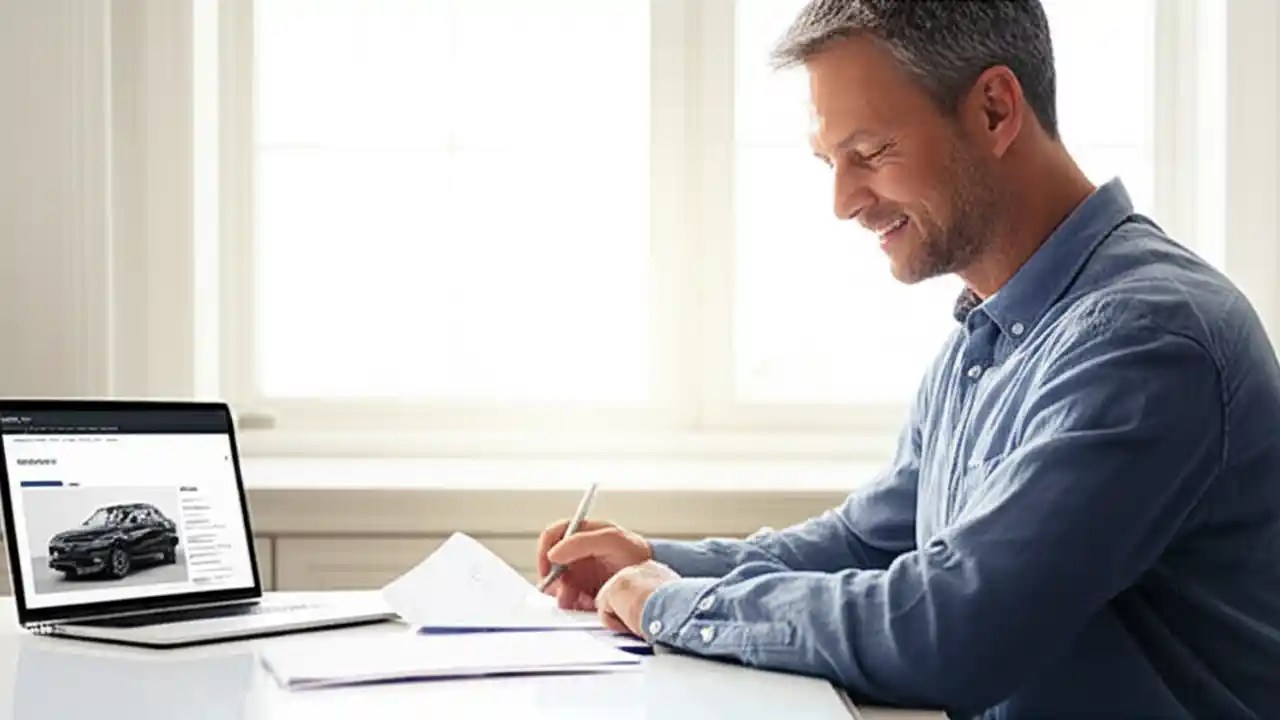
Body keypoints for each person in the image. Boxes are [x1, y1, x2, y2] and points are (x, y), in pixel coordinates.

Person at [535, 1, 1280, 717]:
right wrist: (659, 563)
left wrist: (672, 605)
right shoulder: (992, 337)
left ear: (994, 110)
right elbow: (871, 540)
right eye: (830, 160)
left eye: (870, 153)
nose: (843, 201)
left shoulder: (1150, 341)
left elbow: (956, 625)